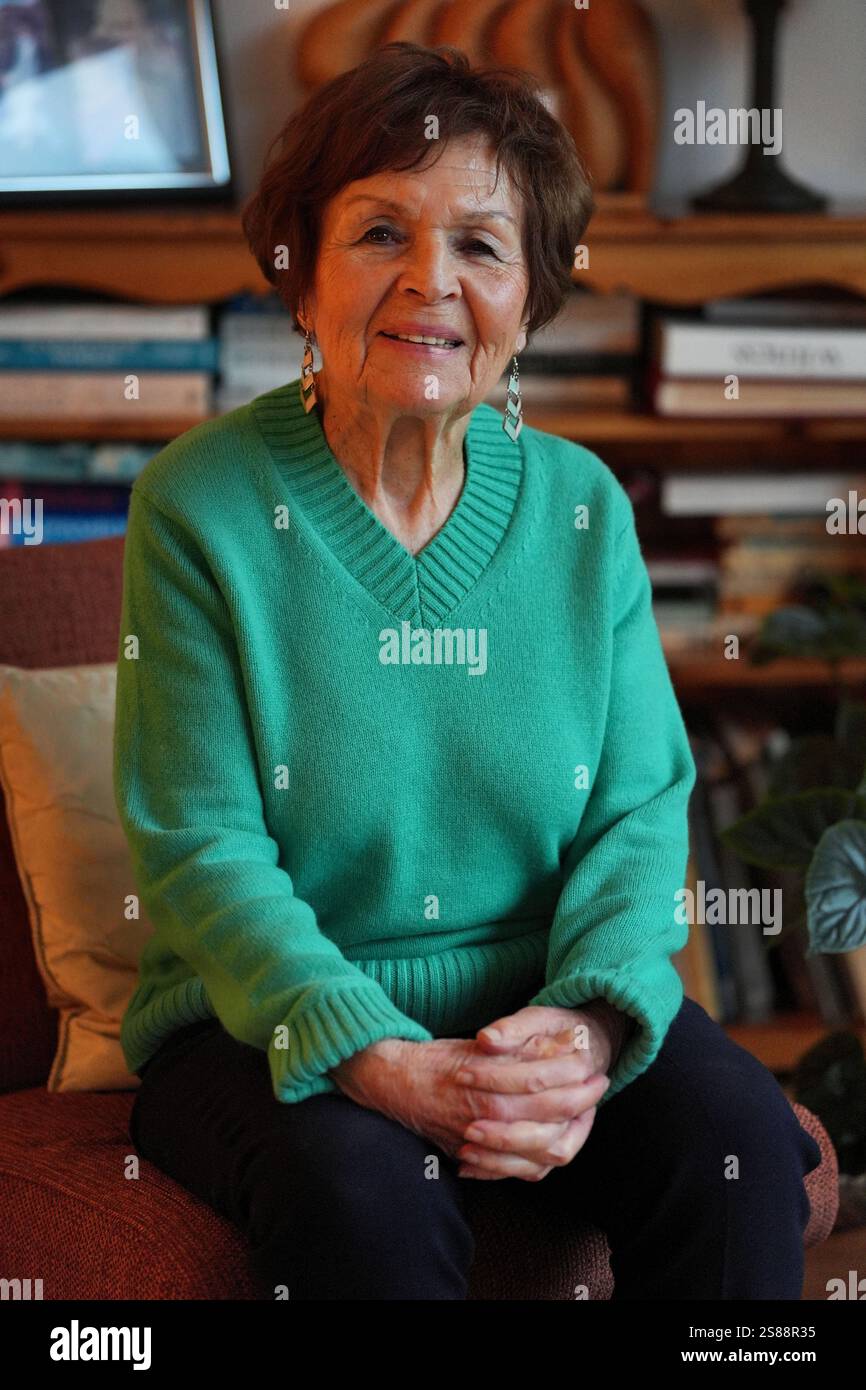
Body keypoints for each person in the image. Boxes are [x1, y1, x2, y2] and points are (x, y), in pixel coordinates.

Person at [115, 42, 822, 1301]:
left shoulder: (581, 508)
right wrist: (379, 1059)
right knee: (370, 1211)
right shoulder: (200, 508)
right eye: (379, 230)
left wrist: (587, 1024)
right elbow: (198, 842)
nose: (428, 283)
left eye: (482, 246)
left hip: (540, 1001)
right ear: (300, 270)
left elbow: (638, 807)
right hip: (265, 1022)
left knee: (741, 1155)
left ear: (532, 299)